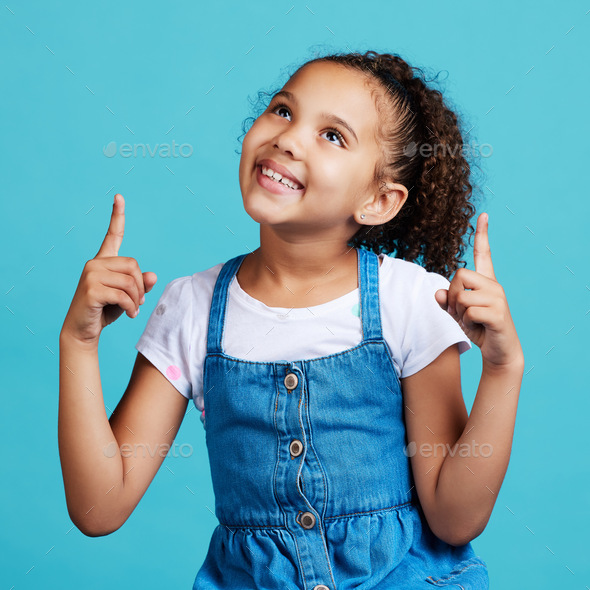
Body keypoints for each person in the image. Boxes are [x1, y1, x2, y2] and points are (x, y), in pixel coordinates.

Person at [59, 50, 525, 589]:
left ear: (378, 200)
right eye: (283, 110)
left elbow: (455, 518)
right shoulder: (191, 307)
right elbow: (99, 508)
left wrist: (502, 369)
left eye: (333, 136)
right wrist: (78, 342)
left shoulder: (412, 301)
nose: (288, 137)